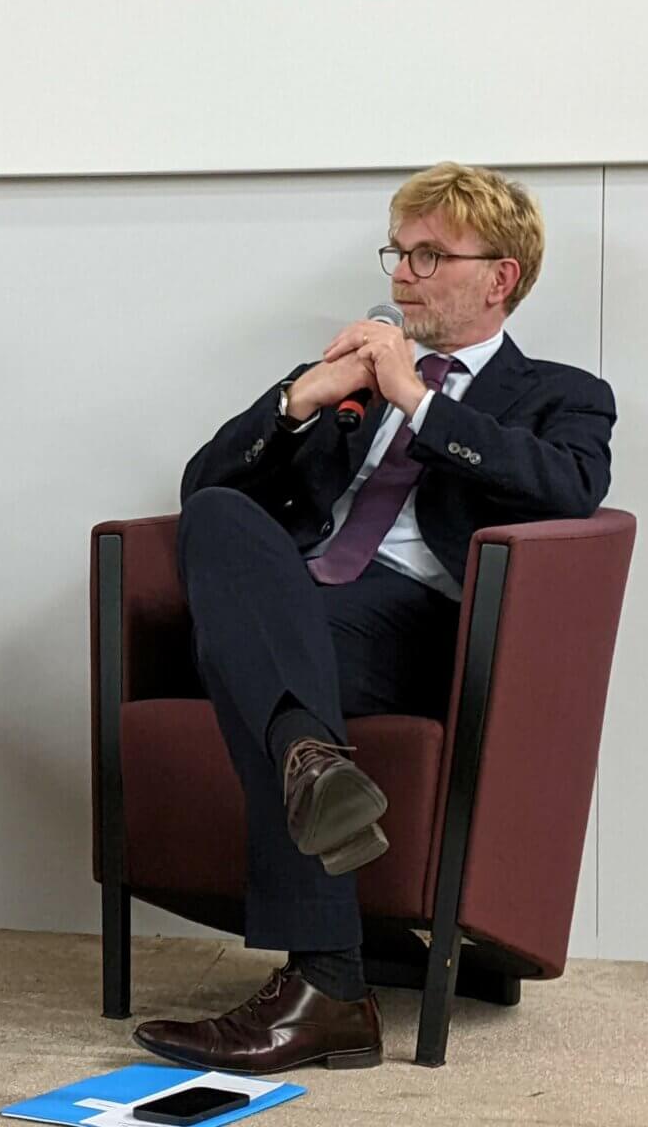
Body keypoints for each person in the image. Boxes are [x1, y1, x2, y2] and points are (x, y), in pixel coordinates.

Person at [132, 162, 614, 1074]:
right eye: (399, 251)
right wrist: (297, 401)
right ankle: (314, 774)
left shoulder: (562, 393)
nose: (402, 274)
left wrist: (421, 404)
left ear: (500, 275)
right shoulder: (341, 374)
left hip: (414, 629)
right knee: (223, 515)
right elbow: (203, 487)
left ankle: (328, 978)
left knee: (257, 664)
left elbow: (572, 488)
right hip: (294, 610)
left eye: (431, 255)